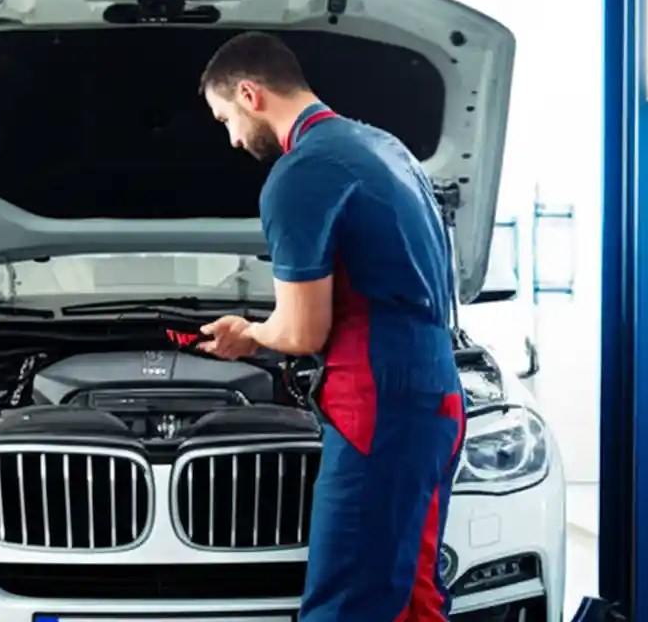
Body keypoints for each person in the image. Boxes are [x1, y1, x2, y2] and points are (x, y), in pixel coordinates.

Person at [196, 31, 467, 622]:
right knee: (412, 592)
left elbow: (301, 333)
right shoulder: (385, 147)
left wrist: (248, 333)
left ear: (250, 93)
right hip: (438, 392)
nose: (235, 140)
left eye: (226, 119)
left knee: (350, 601)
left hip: (379, 400)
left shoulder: (301, 173)